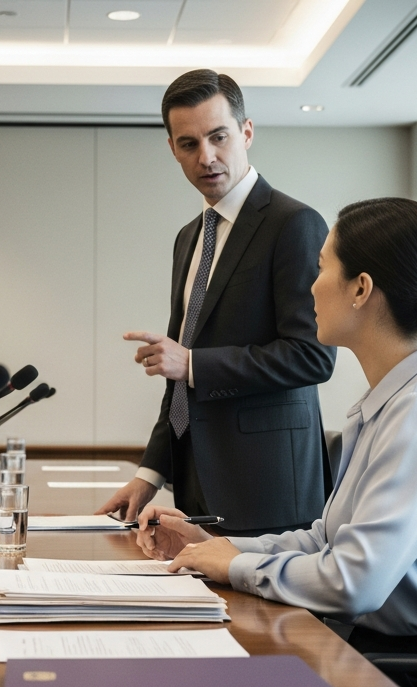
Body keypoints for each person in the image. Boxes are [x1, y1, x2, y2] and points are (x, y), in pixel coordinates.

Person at [136, 197, 417, 687]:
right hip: (387, 655)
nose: (310, 287)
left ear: (361, 289)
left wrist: (238, 566)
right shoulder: (395, 402)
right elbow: (325, 539)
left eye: (321, 268)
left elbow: (353, 582)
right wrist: (217, 545)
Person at [94, 69, 336, 536]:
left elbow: (313, 356)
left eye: (218, 136)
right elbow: (180, 374)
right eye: (188, 144)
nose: (206, 157)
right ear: (173, 150)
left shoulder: (295, 224)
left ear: (246, 132)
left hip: (269, 491)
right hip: (196, 483)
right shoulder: (190, 237)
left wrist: (193, 364)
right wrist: (150, 474)